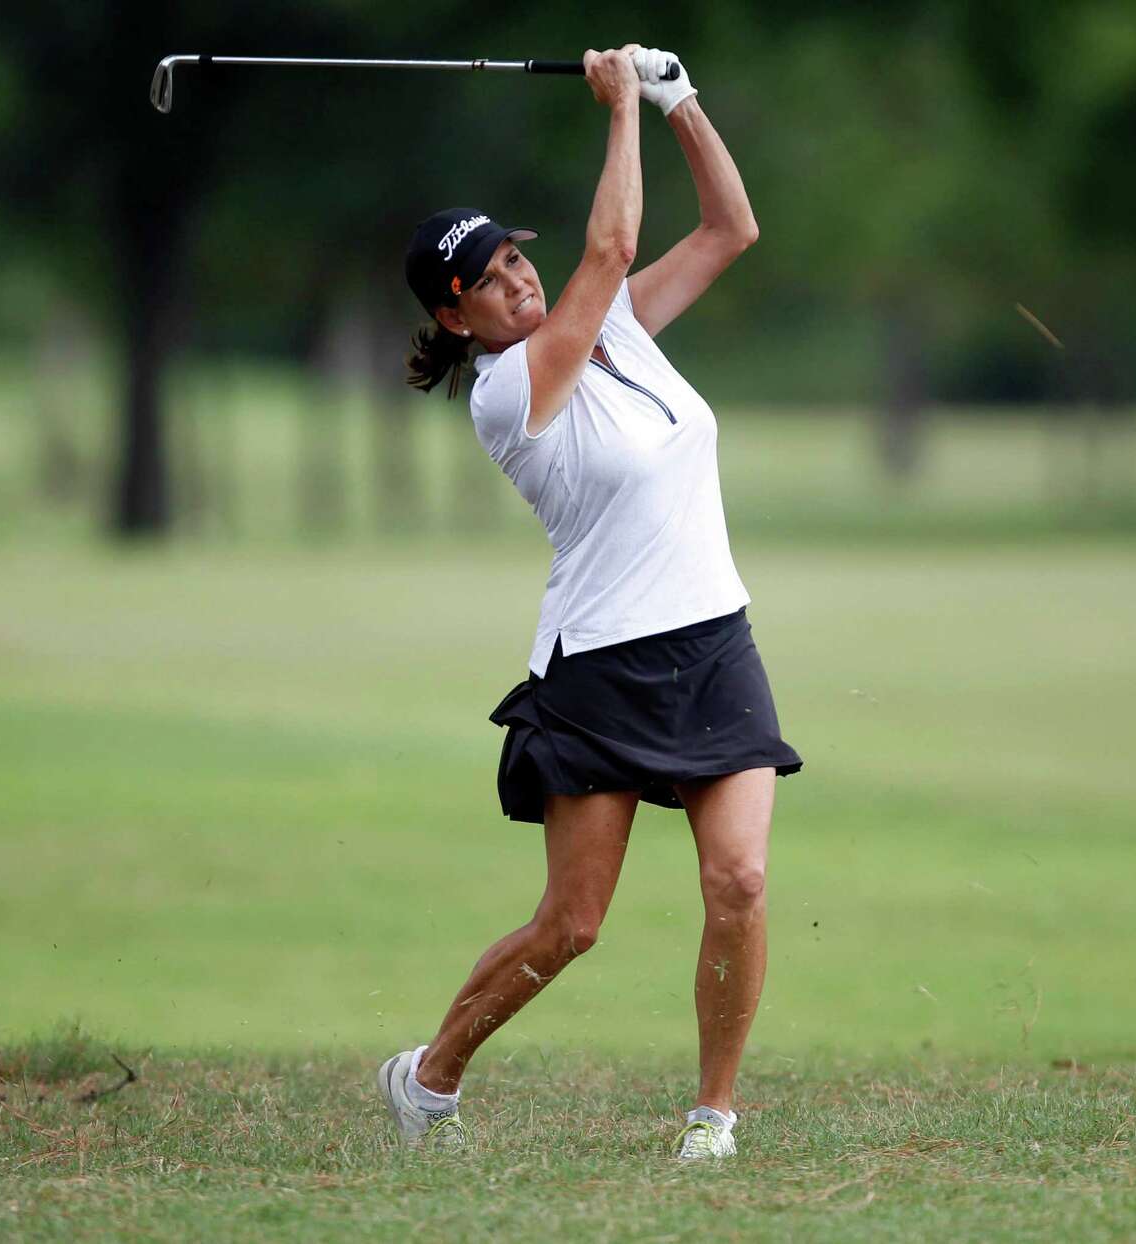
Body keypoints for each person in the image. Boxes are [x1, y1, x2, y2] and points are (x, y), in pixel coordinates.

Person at [383, 44, 802, 1161]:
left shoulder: (611, 329)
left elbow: (728, 233)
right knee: (572, 925)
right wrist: (617, 108)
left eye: (518, 256)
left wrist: (679, 105)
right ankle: (429, 1075)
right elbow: (609, 245)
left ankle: (713, 1117)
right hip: (601, 667)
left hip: (713, 637)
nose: (519, 276)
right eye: (493, 276)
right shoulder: (508, 388)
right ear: (457, 313)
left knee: (743, 878)